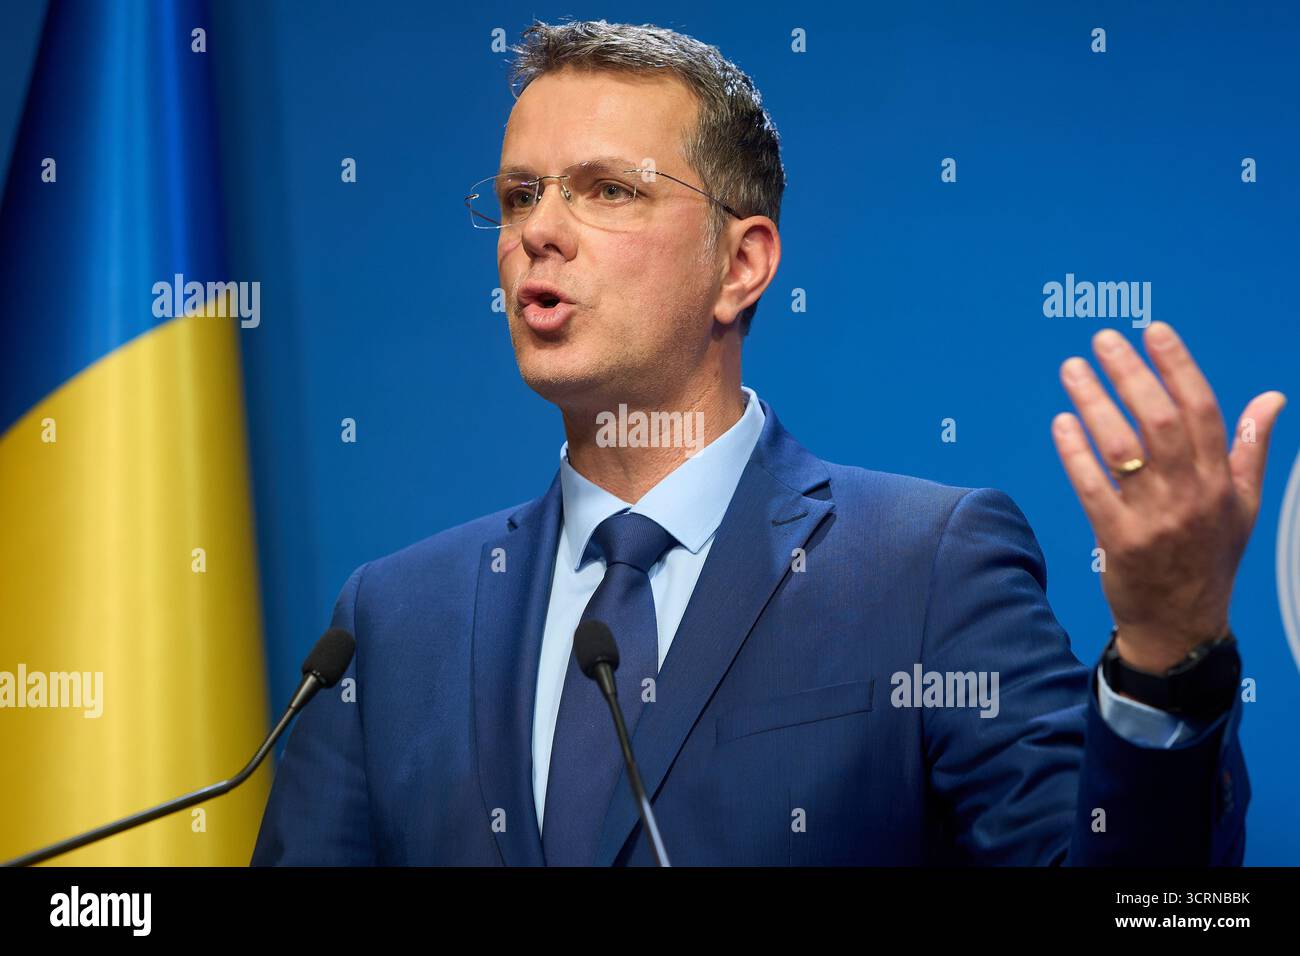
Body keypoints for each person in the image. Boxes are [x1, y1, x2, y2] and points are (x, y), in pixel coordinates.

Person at [251, 19, 1284, 866]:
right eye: (521, 194)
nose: (538, 231)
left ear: (741, 264)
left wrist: (1164, 654)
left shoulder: (924, 568)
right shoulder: (390, 620)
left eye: (608, 189)